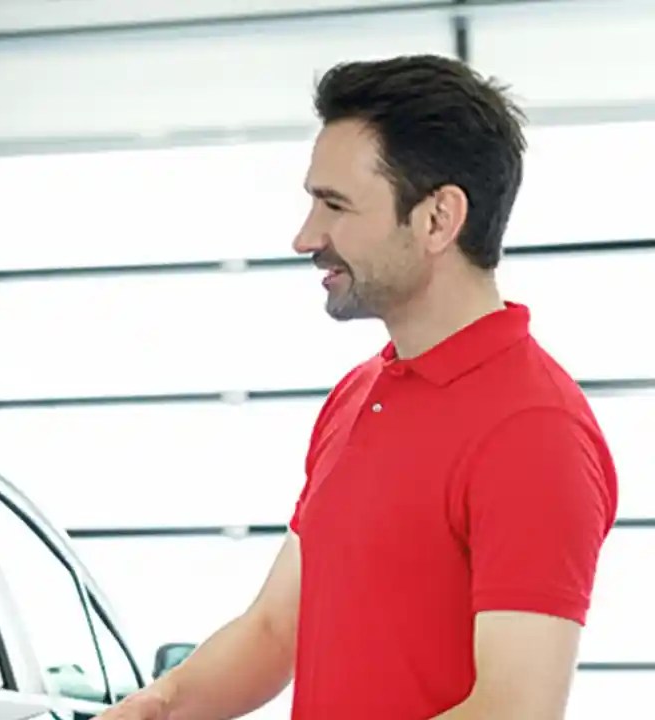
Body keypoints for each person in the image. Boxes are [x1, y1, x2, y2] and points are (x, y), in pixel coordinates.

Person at [98, 54, 617, 719]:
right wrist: (157, 707)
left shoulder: (534, 431)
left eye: (335, 205)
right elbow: (275, 630)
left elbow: (512, 712)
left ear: (436, 220)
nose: (305, 236)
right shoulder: (359, 393)